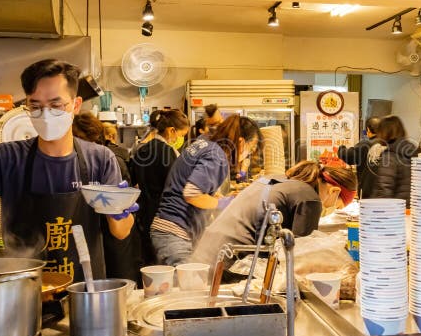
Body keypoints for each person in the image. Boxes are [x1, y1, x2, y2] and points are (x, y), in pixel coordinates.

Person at [0, 59, 137, 283]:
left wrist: (119, 212)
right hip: (20, 290)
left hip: (84, 294)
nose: (45, 115)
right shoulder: (5, 158)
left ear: (76, 105)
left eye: (56, 105)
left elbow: (121, 232)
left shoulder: (100, 159)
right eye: (35, 106)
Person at [189, 161, 357, 267]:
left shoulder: (279, 179)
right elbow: (301, 256)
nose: (333, 209)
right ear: (334, 191)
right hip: (231, 260)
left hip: (208, 250)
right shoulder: (310, 198)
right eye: (338, 205)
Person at [151, 114, 260, 265]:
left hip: (167, 229)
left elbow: (190, 180)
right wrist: (227, 203)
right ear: (241, 142)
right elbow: (192, 194)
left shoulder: (205, 144)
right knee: (188, 286)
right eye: (252, 147)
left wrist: (217, 197)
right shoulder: (217, 156)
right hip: (175, 232)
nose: (250, 152)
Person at [73, 112, 142, 282]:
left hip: (109, 243)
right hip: (89, 244)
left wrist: (123, 211)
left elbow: (120, 227)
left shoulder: (107, 159)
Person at [131, 109, 190, 264]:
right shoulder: (169, 152)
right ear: (171, 131)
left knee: (149, 263)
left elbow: (134, 182)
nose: (181, 139)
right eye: (181, 135)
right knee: (166, 264)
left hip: (143, 214)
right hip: (164, 217)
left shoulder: (140, 149)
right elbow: (176, 187)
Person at [366, 115, 418, 205]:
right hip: (412, 208)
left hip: (394, 210)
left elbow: (384, 189)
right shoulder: (413, 151)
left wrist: (373, 209)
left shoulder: (390, 156)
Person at [337, 116, 380, 199]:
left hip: (368, 189)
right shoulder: (390, 144)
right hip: (387, 192)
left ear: (368, 130)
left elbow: (349, 157)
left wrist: (341, 148)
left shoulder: (365, 144)